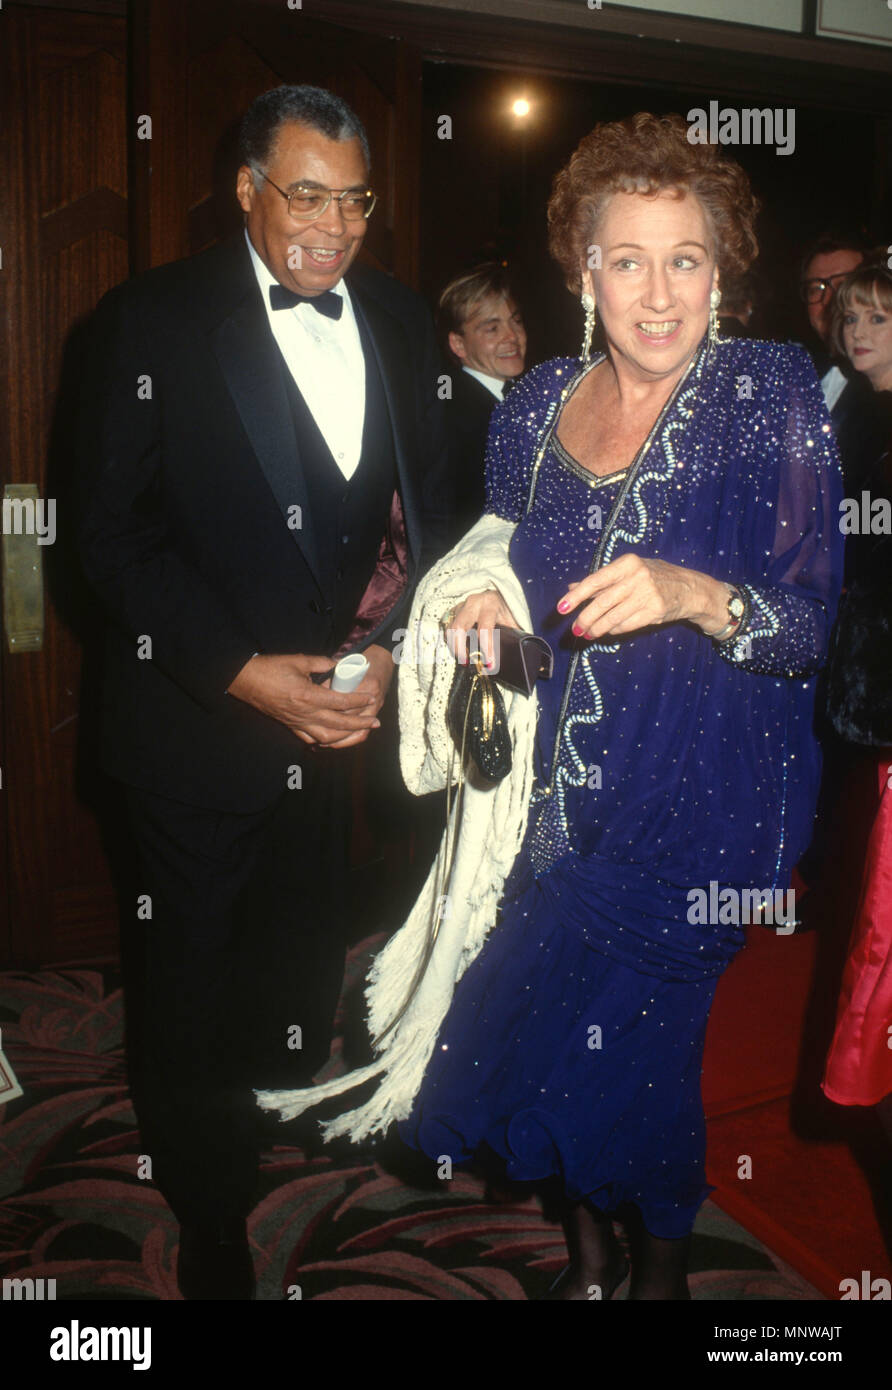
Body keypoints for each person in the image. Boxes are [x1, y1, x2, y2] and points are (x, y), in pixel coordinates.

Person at [260, 110, 844, 1302]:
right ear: (583, 272)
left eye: (686, 258)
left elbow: (805, 628)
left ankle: (661, 1278)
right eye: (626, 258)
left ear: (723, 270)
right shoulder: (530, 410)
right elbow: (528, 624)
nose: (658, 291)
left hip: (706, 805)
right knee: (545, 1048)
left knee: (642, 1059)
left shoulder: (768, 392)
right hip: (555, 806)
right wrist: (481, 626)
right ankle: (586, 1266)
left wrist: (691, 593)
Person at [76, 83, 451, 1300]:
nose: (333, 224)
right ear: (245, 189)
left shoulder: (398, 320)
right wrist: (243, 674)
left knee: (297, 954)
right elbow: (103, 543)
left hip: (339, 727)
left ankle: (280, 1106)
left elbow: (428, 523)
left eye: (354, 198)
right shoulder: (142, 323)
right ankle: (208, 1203)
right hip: (190, 727)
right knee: (187, 979)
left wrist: (392, 652)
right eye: (304, 193)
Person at [822, 259, 892, 1141]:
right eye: (851, 319)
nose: (860, 331)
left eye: (879, 316)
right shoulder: (859, 411)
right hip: (864, 661)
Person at [439, 263, 527, 536]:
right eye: (492, 328)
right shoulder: (450, 416)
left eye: (516, 320)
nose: (511, 336)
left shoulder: (530, 397)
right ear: (459, 345)